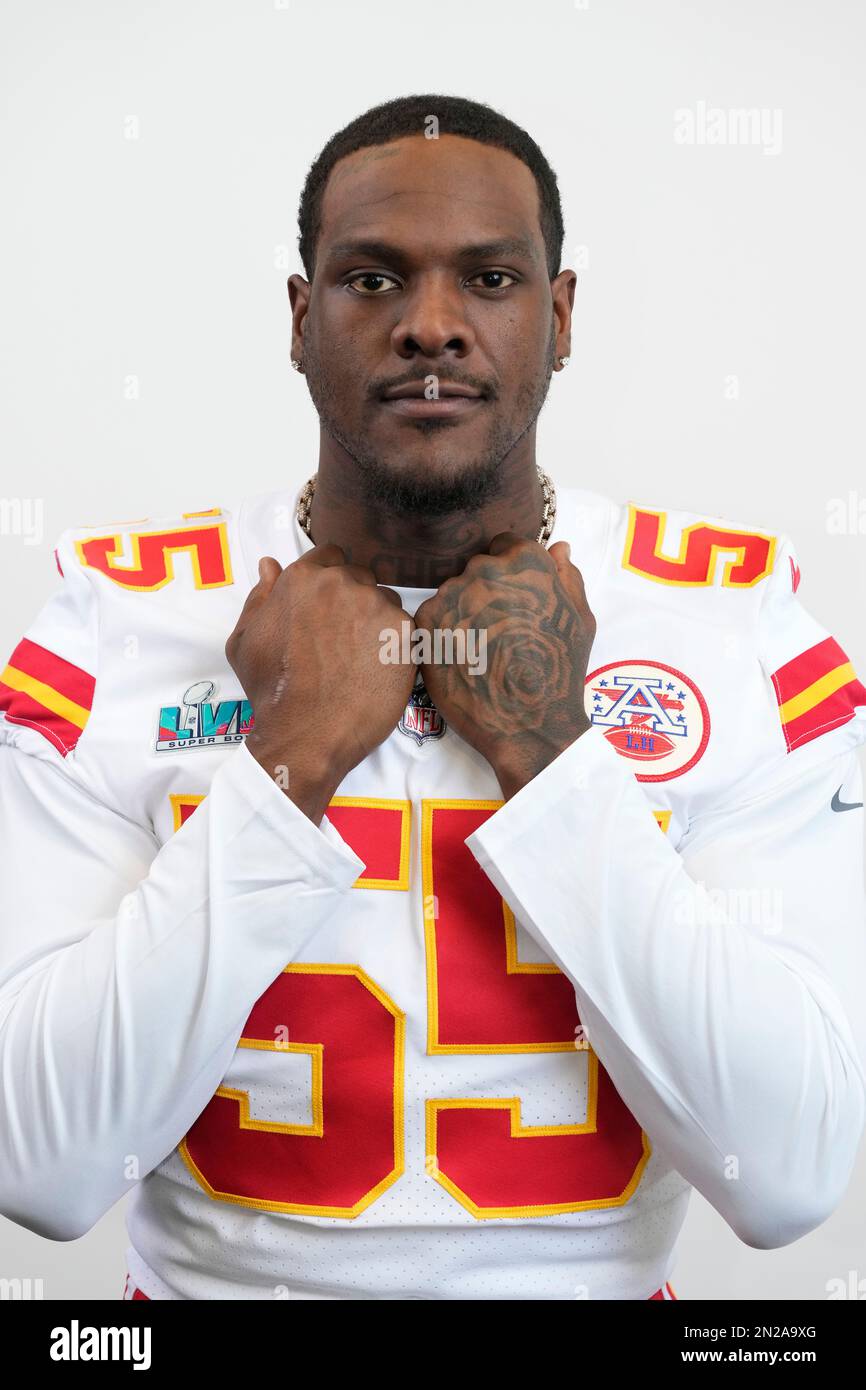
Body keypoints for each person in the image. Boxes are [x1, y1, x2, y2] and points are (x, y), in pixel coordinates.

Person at [1, 94, 864, 1302]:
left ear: (560, 318)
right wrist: (287, 759)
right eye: (369, 280)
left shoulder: (735, 620)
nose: (431, 327)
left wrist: (557, 757)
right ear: (298, 322)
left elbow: (786, 1178)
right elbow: (39, 1168)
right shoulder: (115, 617)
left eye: (492, 279)